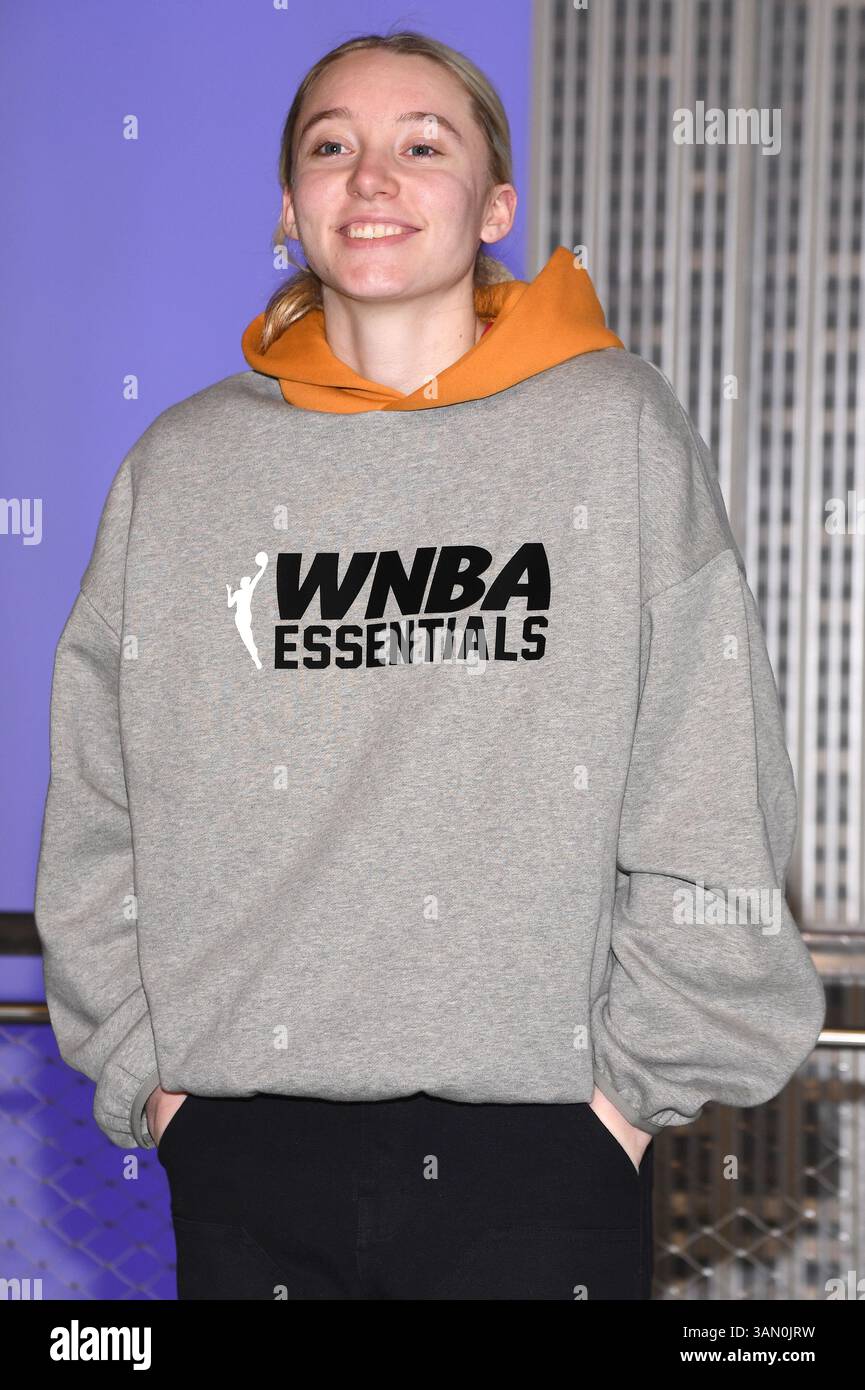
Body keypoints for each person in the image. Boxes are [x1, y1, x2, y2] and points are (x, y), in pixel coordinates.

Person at [34, 30, 826, 1301]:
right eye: (331, 146)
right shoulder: (182, 469)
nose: (372, 176)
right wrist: (161, 1081)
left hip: (543, 1147)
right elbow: (96, 797)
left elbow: (707, 773)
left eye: (422, 144)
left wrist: (622, 1106)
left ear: (495, 206)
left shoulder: (614, 429)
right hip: (244, 1141)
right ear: (290, 207)